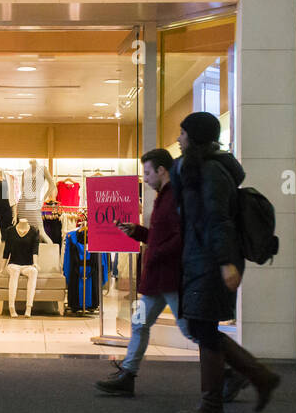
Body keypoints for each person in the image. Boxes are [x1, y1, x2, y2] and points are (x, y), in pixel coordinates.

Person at [94, 148, 246, 399]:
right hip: (157, 281)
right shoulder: (164, 196)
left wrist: (155, 253)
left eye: (147, 172)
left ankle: (233, 371)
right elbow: (160, 237)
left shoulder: (175, 197)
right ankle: (127, 375)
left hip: (170, 280)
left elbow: (180, 237)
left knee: (191, 330)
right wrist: (139, 232)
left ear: (161, 170)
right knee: (140, 323)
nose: (145, 177)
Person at [173, 112, 280, 413]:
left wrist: (225, 264)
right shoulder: (197, 168)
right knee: (200, 326)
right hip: (202, 258)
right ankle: (255, 377)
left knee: (203, 327)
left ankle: (214, 403)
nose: (179, 139)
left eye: (182, 134)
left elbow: (217, 220)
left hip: (212, 260)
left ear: (194, 137)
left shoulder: (211, 171)